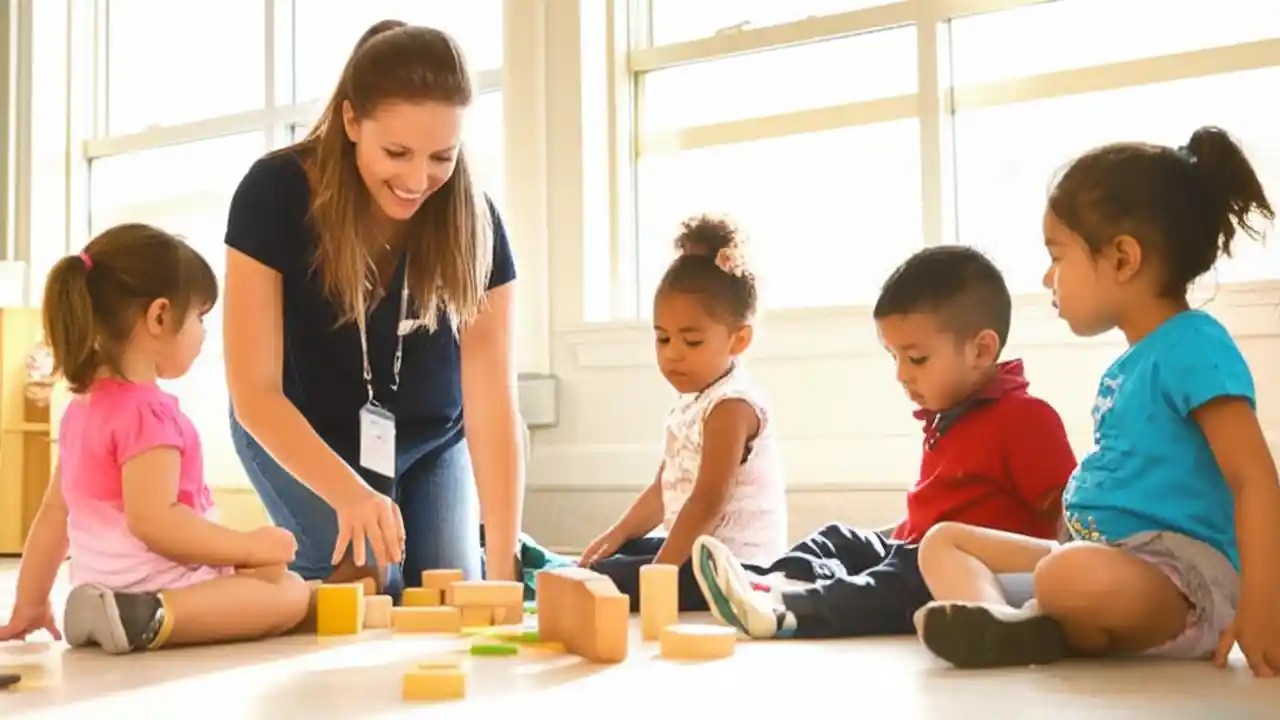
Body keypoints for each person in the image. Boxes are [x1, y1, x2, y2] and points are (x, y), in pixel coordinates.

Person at [912, 126, 1280, 678]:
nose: (1047, 277)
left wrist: (1263, 607)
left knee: (1069, 575)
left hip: (1180, 579)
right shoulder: (1132, 363)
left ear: (1123, 258)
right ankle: (1000, 627)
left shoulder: (1194, 344)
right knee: (942, 541)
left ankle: (1043, 616)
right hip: (1098, 557)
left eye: (1057, 256)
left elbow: (1253, 478)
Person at [222, 20, 524, 598]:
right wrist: (352, 495)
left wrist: (504, 567)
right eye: (397, 152)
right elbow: (254, 392)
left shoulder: (476, 220)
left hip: (431, 439)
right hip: (298, 424)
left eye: (442, 156)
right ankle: (266, 572)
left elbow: (492, 406)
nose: (418, 179)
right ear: (351, 120)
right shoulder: (275, 193)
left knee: (452, 591)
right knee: (366, 583)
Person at [690, 245, 1077, 638]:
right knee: (841, 538)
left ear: (981, 350)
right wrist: (888, 537)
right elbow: (935, 512)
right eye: (895, 357)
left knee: (896, 579)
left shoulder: (1025, 417)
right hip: (913, 549)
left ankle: (788, 611)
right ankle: (770, 580)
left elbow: (1067, 519)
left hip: (966, 570)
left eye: (917, 359)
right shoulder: (951, 418)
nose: (901, 375)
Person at [0, 224, 310, 654]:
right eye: (200, 317)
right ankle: (147, 616)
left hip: (97, 583)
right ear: (160, 316)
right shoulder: (150, 414)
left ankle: (118, 612)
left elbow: (56, 513)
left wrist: (30, 604)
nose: (203, 333)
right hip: (154, 581)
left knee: (267, 578)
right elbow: (157, 523)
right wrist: (249, 547)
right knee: (288, 592)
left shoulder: (82, 409)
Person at [575, 215, 786, 611]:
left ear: (739, 340)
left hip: (736, 568)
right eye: (662, 337)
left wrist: (661, 574)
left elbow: (707, 501)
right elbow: (663, 489)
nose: (673, 352)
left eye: (691, 341)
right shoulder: (694, 402)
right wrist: (617, 534)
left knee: (602, 581)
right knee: (609, 560)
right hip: (697, 550)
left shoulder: (731, 406)